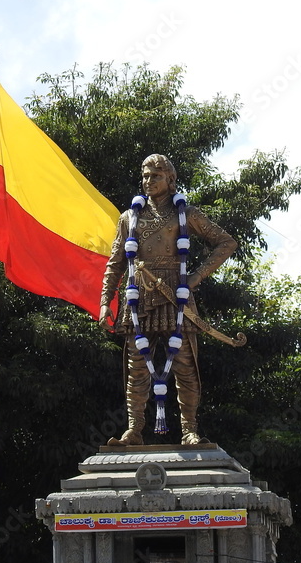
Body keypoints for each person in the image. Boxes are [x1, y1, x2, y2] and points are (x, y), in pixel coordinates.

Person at [99, 154, 236, 447]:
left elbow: (226, 243)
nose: (149, 181)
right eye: (146, 175)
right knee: (137, 369)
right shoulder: (129, 217)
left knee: (185, 365)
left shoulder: (186, 214)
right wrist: (104, 302)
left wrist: (195, 278)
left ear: (170, 180)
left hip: (177, 296)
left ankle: (190, 430)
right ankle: (134, 430)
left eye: (156, 176)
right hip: (138, 298)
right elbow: (116, 262)